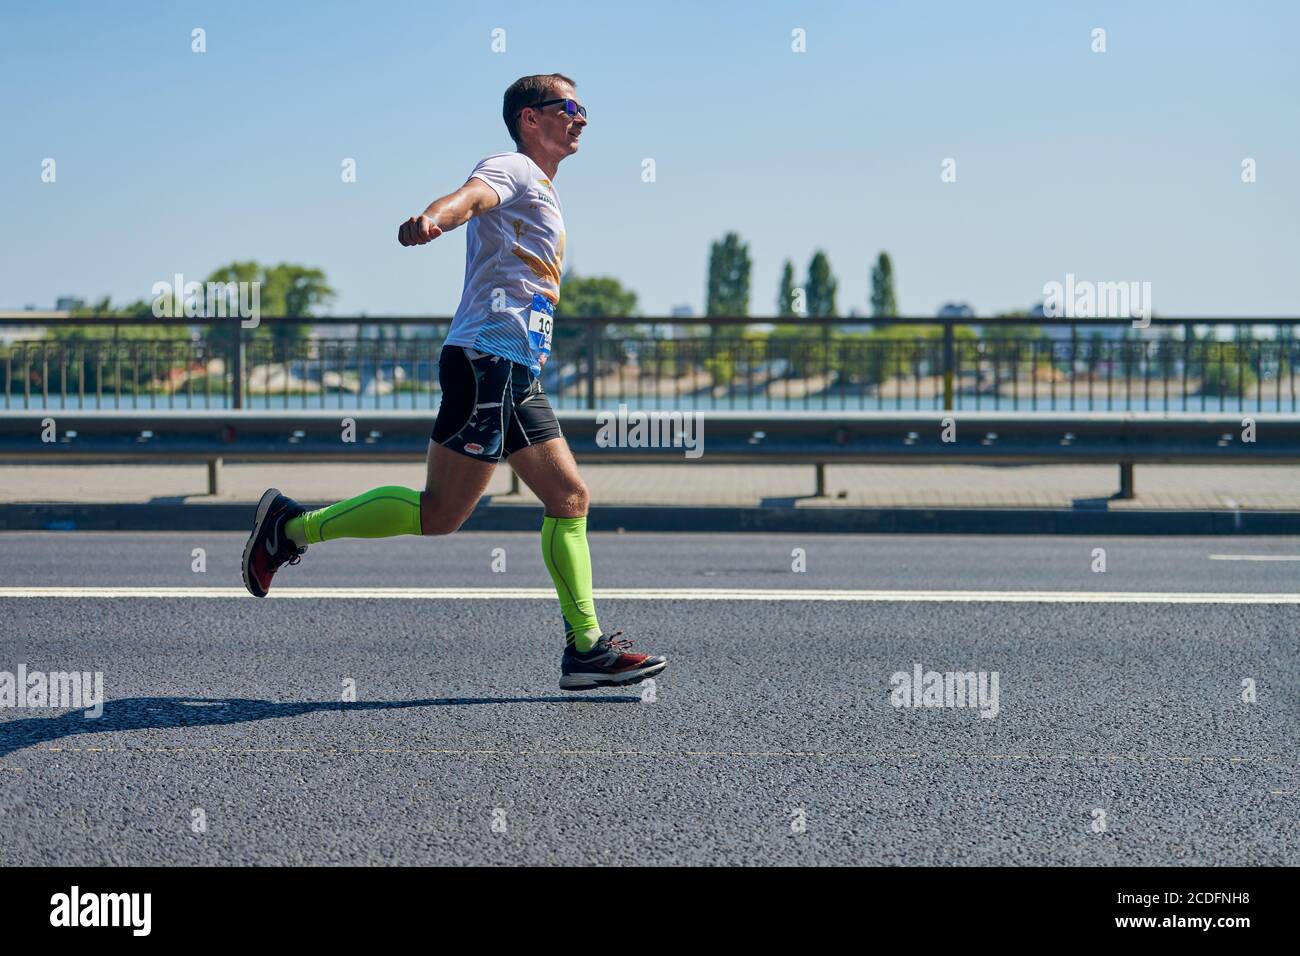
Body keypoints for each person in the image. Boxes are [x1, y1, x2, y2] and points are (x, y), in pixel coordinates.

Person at [241, 73, 667, 691]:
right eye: (569, 107)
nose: (582, 118)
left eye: (584, 108)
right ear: (530, 118)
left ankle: (586, 650)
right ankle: (291, 527)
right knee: (440, 514)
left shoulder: (541, 189)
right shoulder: (513, 169)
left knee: (569, 497)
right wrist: (433, 220)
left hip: (516, 371)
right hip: (484, 363)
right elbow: (468, 197)